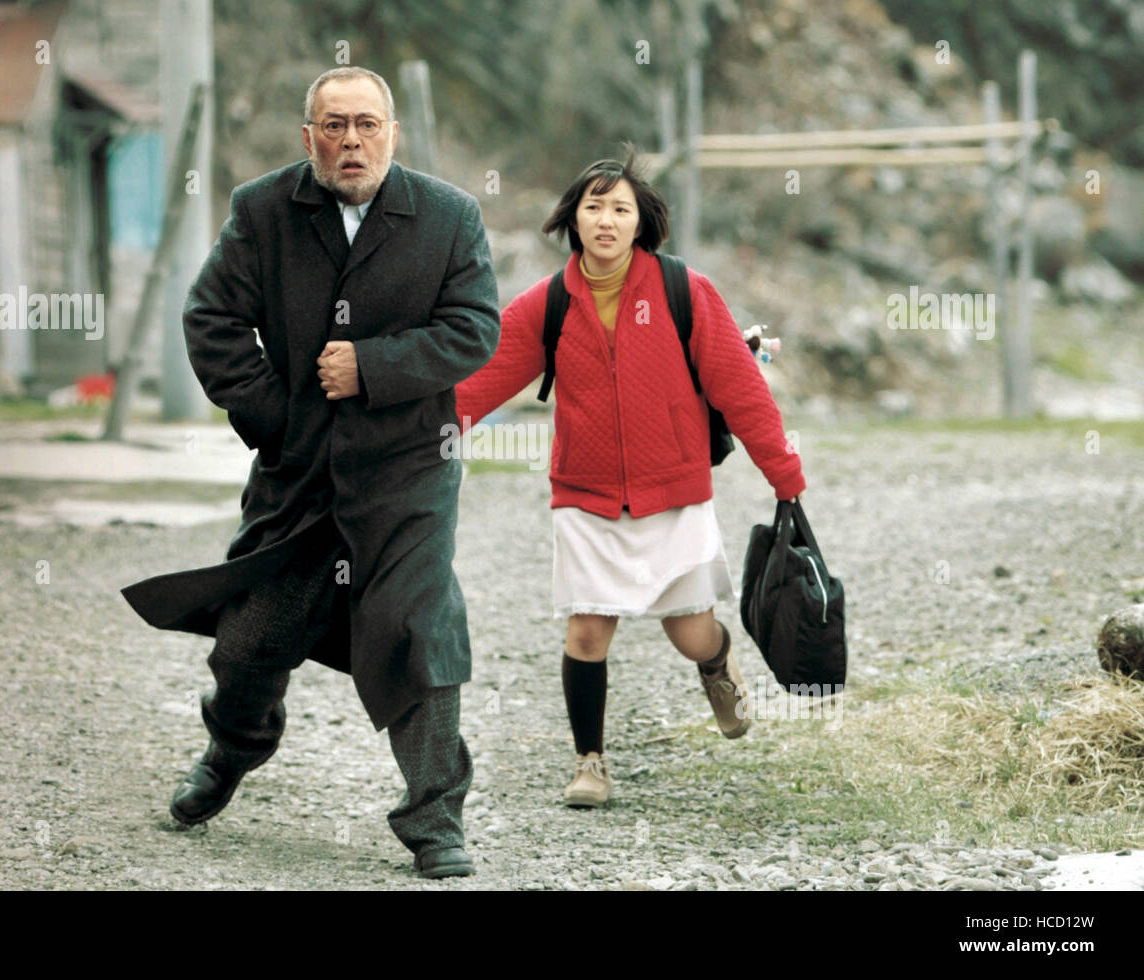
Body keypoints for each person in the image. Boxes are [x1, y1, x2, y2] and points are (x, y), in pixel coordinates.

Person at [120, 66, 500, 877]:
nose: (350, 140)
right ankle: (231, 754)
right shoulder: (263, 211)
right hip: (297, 472)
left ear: (392, 133)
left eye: (366, 124)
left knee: (417, 626)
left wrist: (373, 365)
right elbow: (211, 319)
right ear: (309, 137)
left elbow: (474, 331)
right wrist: (280, 418)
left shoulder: (449, 216)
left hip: (407, 472)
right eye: (333, 125)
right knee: (253, 636)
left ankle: (436, 819)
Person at [454, 151, 805, 807]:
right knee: (587, 631)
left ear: (641, 221)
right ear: (573, 219)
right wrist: (418, 438)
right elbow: (478, 382)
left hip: (673, 491)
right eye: (594, 207)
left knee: (689, 630)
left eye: (620, 208)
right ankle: (590, 763)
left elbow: (739, 389)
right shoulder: (549, 304)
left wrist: (783, 472)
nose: (606, 220)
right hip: (584, 496)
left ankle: (717, 665)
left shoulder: (684, 291)